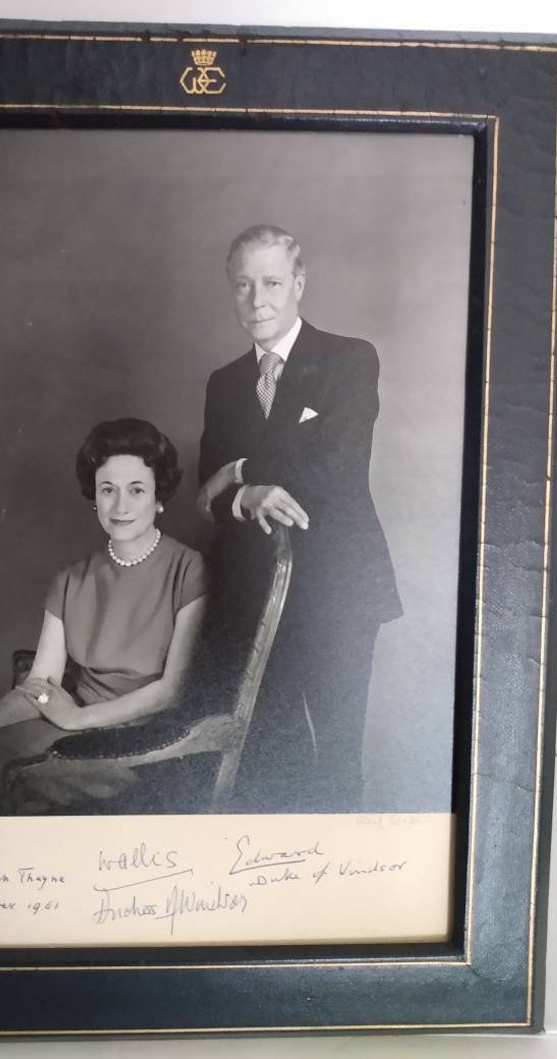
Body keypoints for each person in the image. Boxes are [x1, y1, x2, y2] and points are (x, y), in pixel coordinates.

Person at [197, 224, 402, 813]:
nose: (257, 300)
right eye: (243, 285)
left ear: (299, 285)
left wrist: (236, 472)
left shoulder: (348, 359)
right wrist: (244, 495)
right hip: (252, 597)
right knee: (268, 755)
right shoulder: (224, 384)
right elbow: (205, 500)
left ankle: (342, 887)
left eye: (271, 283)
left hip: (338, 590)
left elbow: (337, 468)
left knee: (338, 758)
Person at [0, 418, 208, 815]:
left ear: (159, 496)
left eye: (136, 490)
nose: (120, 506)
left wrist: (77, 720)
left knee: (9, 786)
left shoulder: (188, 568)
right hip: (66, 729)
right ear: (94, 498)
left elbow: (170, 691)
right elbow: (40, 686)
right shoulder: (70, 579)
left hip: (138, 746)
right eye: (107, 490)